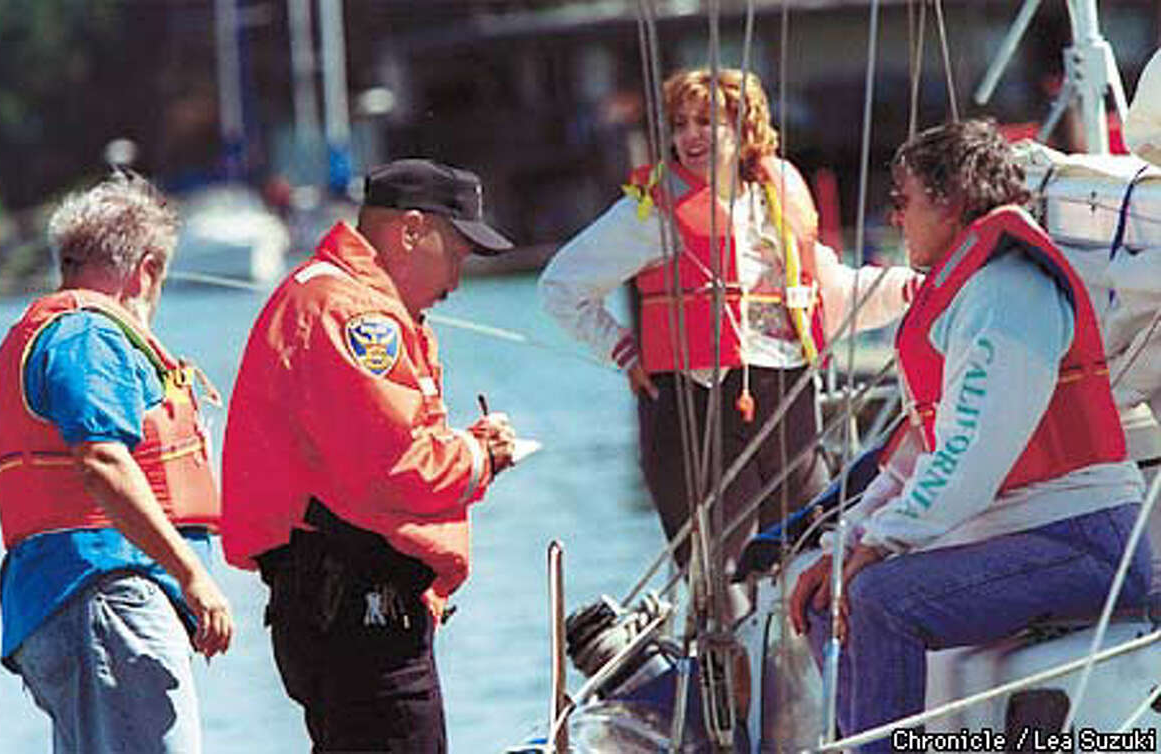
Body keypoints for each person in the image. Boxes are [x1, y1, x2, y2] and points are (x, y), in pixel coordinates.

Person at [788, 119, 1153, 751]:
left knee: (879, 601)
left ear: (950, 200)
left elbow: (971, 455)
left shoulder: (1009, 294)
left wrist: (882, 545)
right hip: (1021, 537)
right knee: (829, 594)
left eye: (902, 201)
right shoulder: (967, 293)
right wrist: (847, 543)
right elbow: (914, 455)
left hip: (1088, 540)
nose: (895, 219)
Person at [539, 68, 920, 575]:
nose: (689, 135)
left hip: (788, 399)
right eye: (679, 124)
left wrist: (917, 287)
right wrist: (622, 350)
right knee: (726, 578)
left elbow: (836, 298)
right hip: (699, 410)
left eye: (705, 121)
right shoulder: (652, 214)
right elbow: (562, 285)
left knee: (817, 549)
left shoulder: (779, 199)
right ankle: (727, 651)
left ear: (745, 126)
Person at [221, 158, 518, 752]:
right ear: (410, 231)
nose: (456, 281)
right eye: (456, 255)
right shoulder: (353, 314)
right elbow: (398, 467)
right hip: (359, 609)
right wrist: (479, 454)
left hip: (335, 601)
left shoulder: (332, 296)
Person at [0, 172, 234, 753]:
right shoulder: (88, 336)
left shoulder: (52, 332)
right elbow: (101, 461)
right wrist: (194, 579)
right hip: (106, 596)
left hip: (73, 602)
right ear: (146, 270)